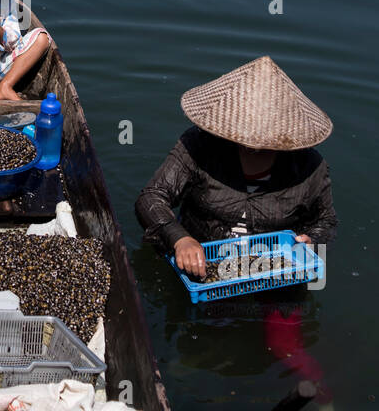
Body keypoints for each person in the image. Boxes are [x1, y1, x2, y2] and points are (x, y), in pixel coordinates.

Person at [135, 55, 337, 277]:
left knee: (284, 310)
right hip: (201, 260)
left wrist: (312, 241)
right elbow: (151, 198)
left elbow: (325, 221)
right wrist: (180, 238)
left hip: (272, 268)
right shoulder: (199, 146)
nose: (253, 148)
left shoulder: (309, 166)